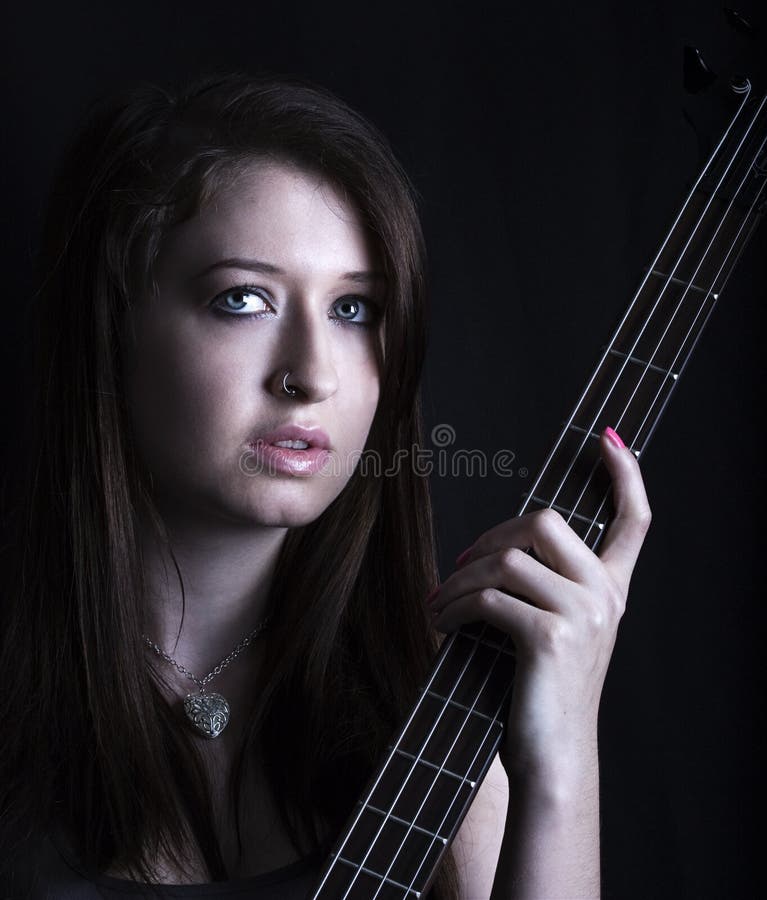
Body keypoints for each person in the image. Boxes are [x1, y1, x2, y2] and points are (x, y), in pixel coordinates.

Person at [0, 71, 651, 898]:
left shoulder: (430, 718)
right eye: (243, 299)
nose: (311, 375)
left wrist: (558, 760)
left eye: (354, 312)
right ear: (114, 323)